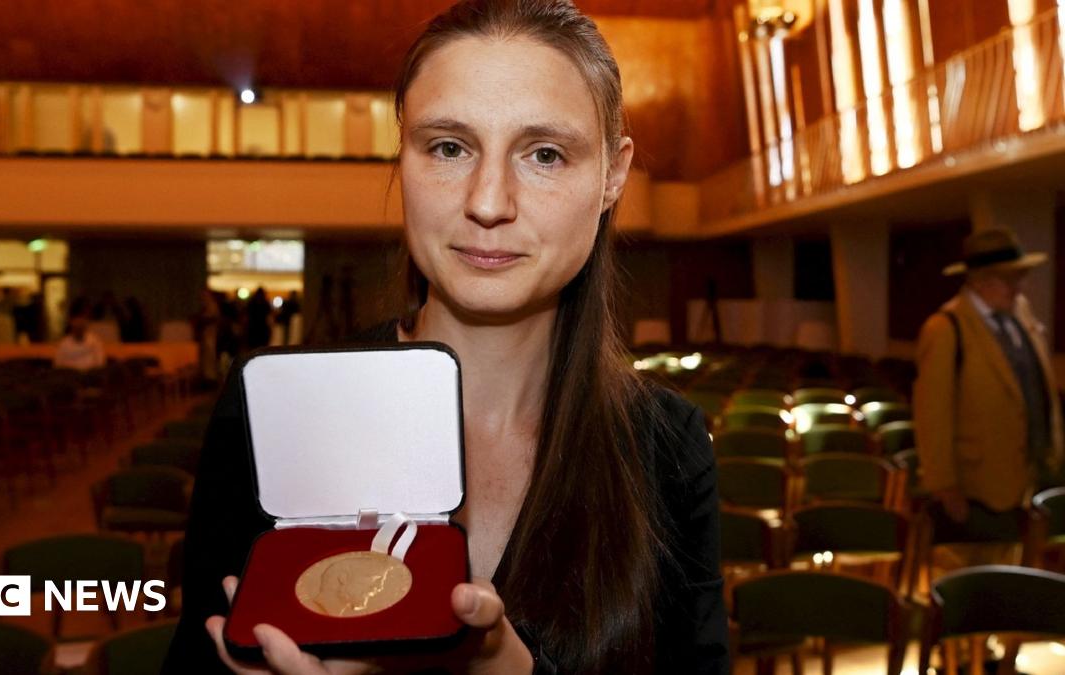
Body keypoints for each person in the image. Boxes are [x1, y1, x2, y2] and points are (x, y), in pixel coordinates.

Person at [164, 1, 728, 673]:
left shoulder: (668, 448)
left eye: (545, 154)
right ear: (401, 154)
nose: (489, 200)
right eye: (449, 147)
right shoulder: (275, 408)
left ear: (612, 174)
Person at [914, 228, 1064, 539]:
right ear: (981, 282)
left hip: (1032, 474)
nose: (1019, 287)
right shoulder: (946, 328)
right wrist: (944, 486)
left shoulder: (1019, 312)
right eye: (1010, 280)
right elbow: (933, 416)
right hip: (979, 486)